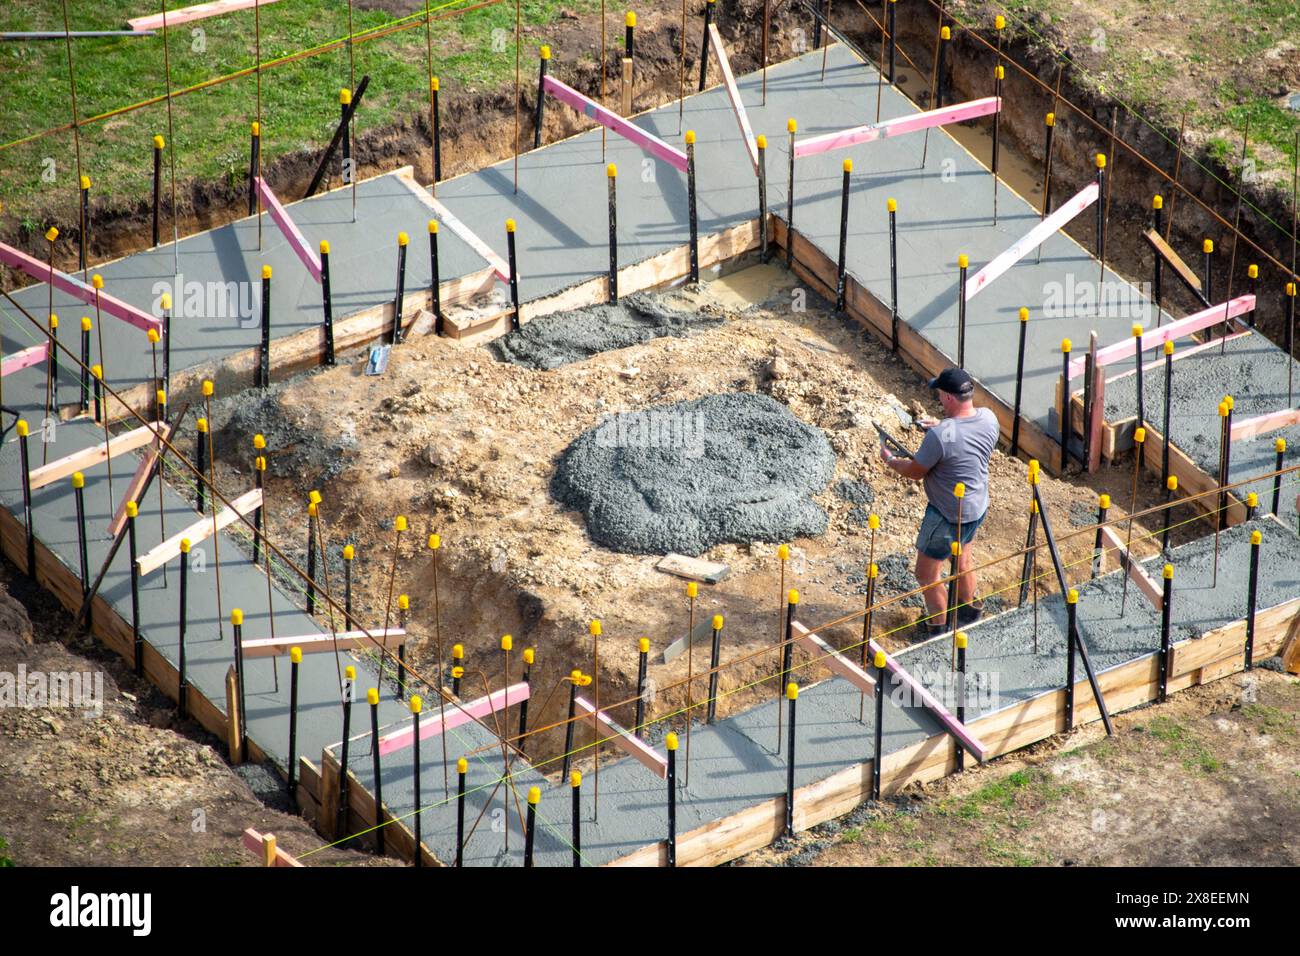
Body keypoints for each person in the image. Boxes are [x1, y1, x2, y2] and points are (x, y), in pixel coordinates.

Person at [880, 367, 999, 638]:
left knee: (926, 573)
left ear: (948, 398)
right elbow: (963, 437)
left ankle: (938, 626)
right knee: (963, 560)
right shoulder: (989, 419)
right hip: (975, 506)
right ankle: (969, 614)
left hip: (947, 515)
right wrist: (943, 427)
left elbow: (914, 472)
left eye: (940, 395)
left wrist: (890, 459)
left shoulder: (940, 436)